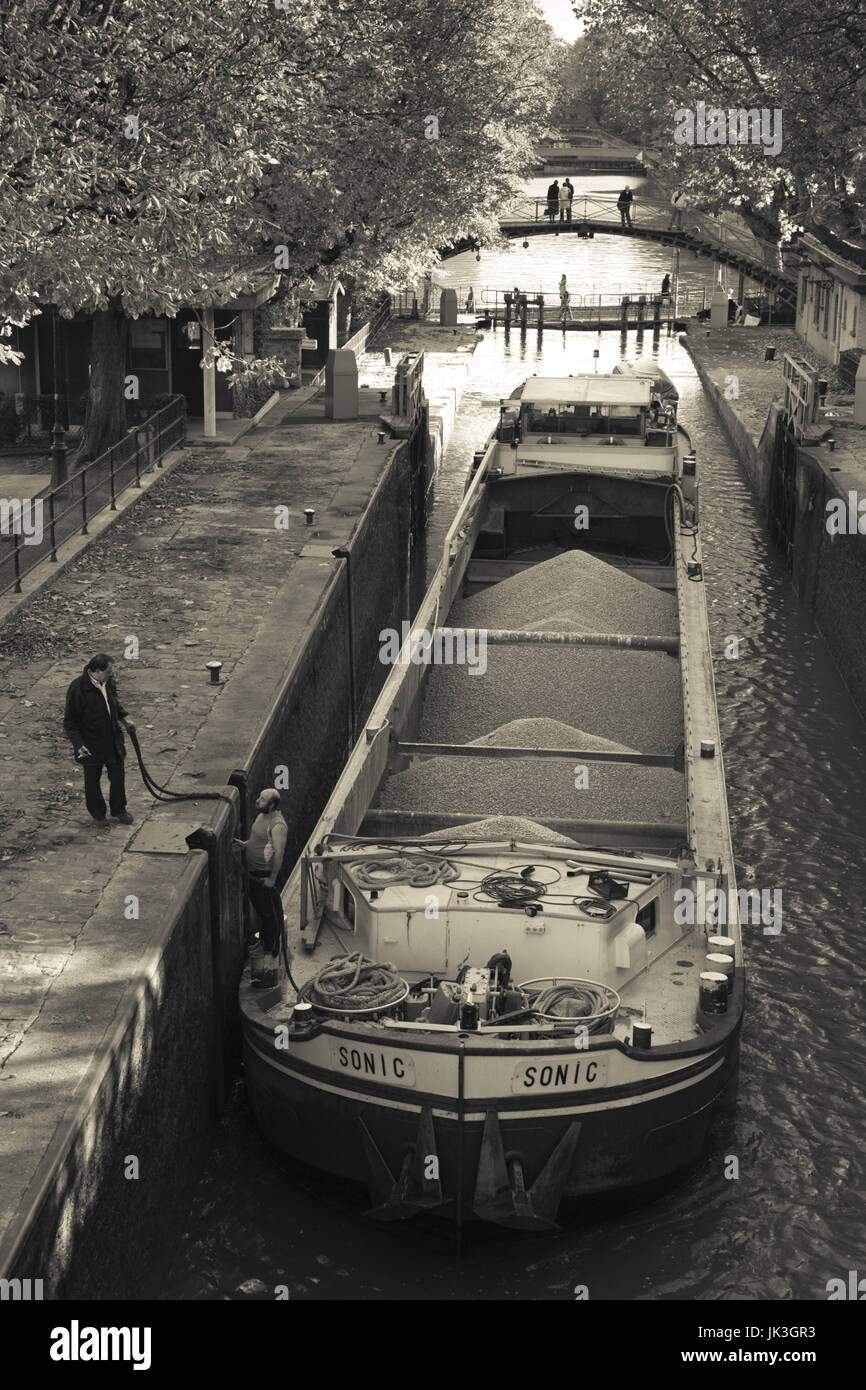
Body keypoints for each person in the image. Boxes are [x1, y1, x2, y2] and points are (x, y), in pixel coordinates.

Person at [64, 654, 136, 828]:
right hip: (90, 744)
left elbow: (113, 703)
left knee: (118, 777)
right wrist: (79, 745)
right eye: (108, 672)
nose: (111, 675)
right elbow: (70, 722)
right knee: (92, 781)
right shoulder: (78, 689)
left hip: (112, 739)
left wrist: (124, 719)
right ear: (96, 671)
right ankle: (98, 815)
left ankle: (119, 810)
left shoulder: (108, 682)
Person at [234, 787, 288, 988]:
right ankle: (265, 952)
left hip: (264, 878)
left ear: (272, 805)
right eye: (259, 797)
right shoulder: (261, 817)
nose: (258, 801)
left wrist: (272, 879)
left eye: (263, 799)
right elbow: (258, 841)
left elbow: (279, 853)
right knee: (264, 914)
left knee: (270, 918)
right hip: (254, 877)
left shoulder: (278, 825)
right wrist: (245, 845)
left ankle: (269, 958)